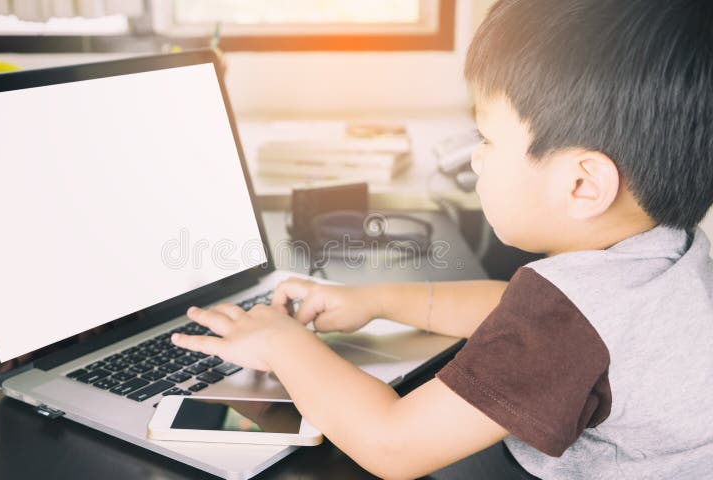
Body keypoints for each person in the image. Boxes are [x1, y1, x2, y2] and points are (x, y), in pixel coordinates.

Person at [171, 0, 713, 478]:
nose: (475, 159)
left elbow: (392, 445)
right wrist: (378, 300)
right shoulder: (670, 249)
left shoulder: (570, 322)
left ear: (582, 185)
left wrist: (283, 344)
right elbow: (518, 311)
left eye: (487, 139)